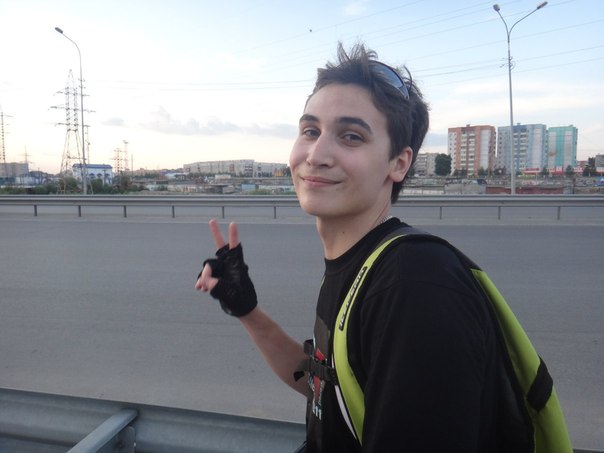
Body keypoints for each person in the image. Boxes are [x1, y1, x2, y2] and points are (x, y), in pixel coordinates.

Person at [195, 43, 502, 452]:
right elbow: (326, 390)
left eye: (351, 136)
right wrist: (246, 310)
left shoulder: (414, 285)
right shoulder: (361, 264)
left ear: (399, 163)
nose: (317, 155)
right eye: (310, 131)